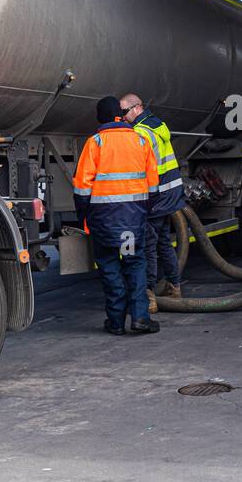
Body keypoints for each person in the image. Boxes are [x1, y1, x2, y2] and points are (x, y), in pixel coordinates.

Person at [73, 96, 160, 335]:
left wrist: (84, 215)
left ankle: (115, 322)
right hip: (131, 225)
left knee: (110, 267)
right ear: (120, 116)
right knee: (133, 266)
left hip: (103, 223)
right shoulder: (140, 141)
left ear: (100, 118)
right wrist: (144, 212)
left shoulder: (96, 142)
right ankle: (140, 318)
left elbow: (82, 187)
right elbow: (153, 185)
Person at [120, 92, 185, 315]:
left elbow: (142, 169)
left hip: (155, 197)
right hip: (169, 194)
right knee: (164, 242)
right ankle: (174, 287)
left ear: (137, 108)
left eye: (124, 112)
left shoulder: (141, 133)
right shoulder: (157, 124)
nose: (122, 117)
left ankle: (149, 297)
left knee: (148, 245)